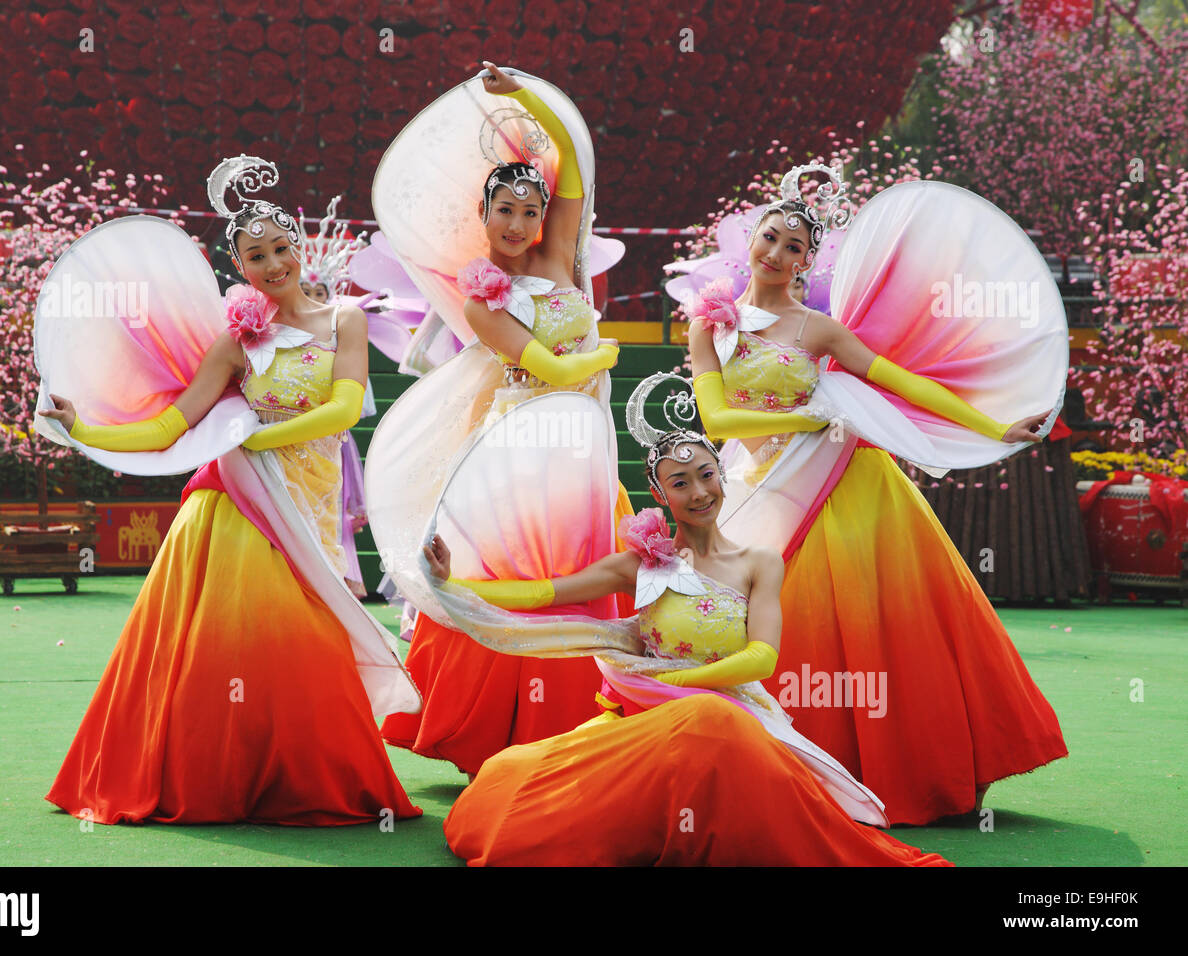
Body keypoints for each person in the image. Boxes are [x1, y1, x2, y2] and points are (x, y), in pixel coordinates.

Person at [417, 380, 950, 865]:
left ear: (721, 474)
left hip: (735, 719)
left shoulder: (760, 562)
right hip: (643, 719)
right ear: (659, 494)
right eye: (680, 482)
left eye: (706, 475)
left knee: (713, 727)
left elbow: (762, 657)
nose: (698, 493)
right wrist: (452, 582)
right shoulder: (638, 566)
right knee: (511, 791)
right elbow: (544, 592)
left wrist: (674, 683)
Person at [35, 155, 420, 825]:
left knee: (301, 643)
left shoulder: (344, 320)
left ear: (298, 246)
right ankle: (217, 779)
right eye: (254, 256)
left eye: (279, 248)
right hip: (233, 507)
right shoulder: (237, 341)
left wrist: (250, 435)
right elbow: (171, 425)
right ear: (238, 269)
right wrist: (82, 426)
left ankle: (296, 781)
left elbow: (344, 409)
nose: (272, 264)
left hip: (303, 494)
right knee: (241, 647)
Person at [679, 163, 1069, 823]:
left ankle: (906, 770)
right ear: (752, 238)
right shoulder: (710, 324)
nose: (776, 254)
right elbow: (716, 422)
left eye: (793, 247)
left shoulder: (819, 332)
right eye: (770, 238)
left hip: (850, 486)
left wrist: (995, 425)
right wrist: (807, 418)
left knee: (884, 633)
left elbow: (905, 383)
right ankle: (785, 775)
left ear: (807, 261)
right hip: (766, 487)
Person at [367, 64, 633, 776]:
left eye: (528, 210)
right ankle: (492, 735)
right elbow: (554, 367)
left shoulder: (560, 255)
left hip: (583, 446)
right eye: (503, 210)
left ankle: (582, 726)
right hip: (519, 443)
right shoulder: (482, 298)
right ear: (480, 218)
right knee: (511, 563)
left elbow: (575, 164)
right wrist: (601, 350)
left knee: (584, 569)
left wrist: (527, 99)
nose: (517, 223)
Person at [299, 197, 375, 597]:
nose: (312, 294)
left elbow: (358, 404)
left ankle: (340, 586)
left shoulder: (345, 333)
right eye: (305, 288)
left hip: (332, 439)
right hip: (291, 437)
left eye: (319, 289)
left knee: (331, 510)